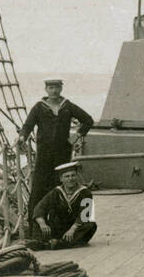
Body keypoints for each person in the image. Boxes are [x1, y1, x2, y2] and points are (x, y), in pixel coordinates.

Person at [17, 78, 93, 239]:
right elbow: (28, 125)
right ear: (46, 89)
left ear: (61, 88)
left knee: (61, 189)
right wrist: (22, 137)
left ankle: (61, 230)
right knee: (38, 190)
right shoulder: (39, 107)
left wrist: (76, 136)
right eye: (51, 87)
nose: (54, 91)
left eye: (57, 87)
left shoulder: (68, 106)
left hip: (63, 154)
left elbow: (88, 120)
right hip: (44, 154)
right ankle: (34, 232)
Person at [31, 161, 96, 249]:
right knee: (38, 220)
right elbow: (40, 207)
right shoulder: (56, 192)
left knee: (91, 225)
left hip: (75, 227)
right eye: (67, 176)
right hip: (59, 226)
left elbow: (85, 215)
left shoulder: (85, 193)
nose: (70, 179)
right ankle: (46, 242)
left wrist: (72, 229)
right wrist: (42, 224)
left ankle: (56, 244)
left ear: (77, 176)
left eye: (73, 175)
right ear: (61, 179)